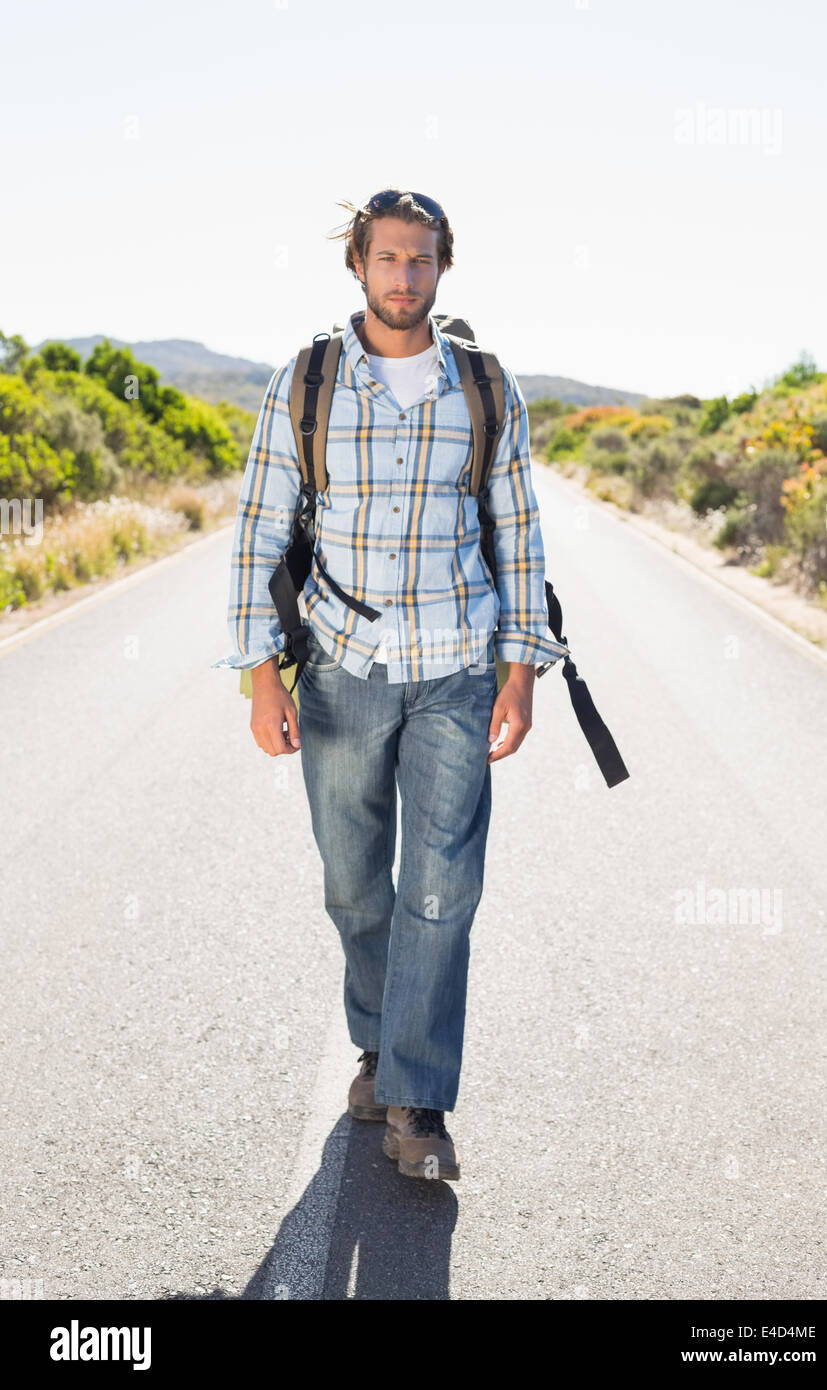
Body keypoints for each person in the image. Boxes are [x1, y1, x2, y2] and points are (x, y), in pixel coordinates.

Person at [214, 188, 569, 1182]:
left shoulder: (484, 387)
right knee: (353, 883)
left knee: (442, 889)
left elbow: (516, 533)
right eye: (386, 259)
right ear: (358, 267)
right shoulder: (309, 381)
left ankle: (416, 1096)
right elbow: (256, 529)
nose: (402, 277)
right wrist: (259, 678)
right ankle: (376, 1039)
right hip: (339, 671)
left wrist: (519, 671)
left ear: (441, 267)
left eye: (419, 260)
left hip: (456, 670)